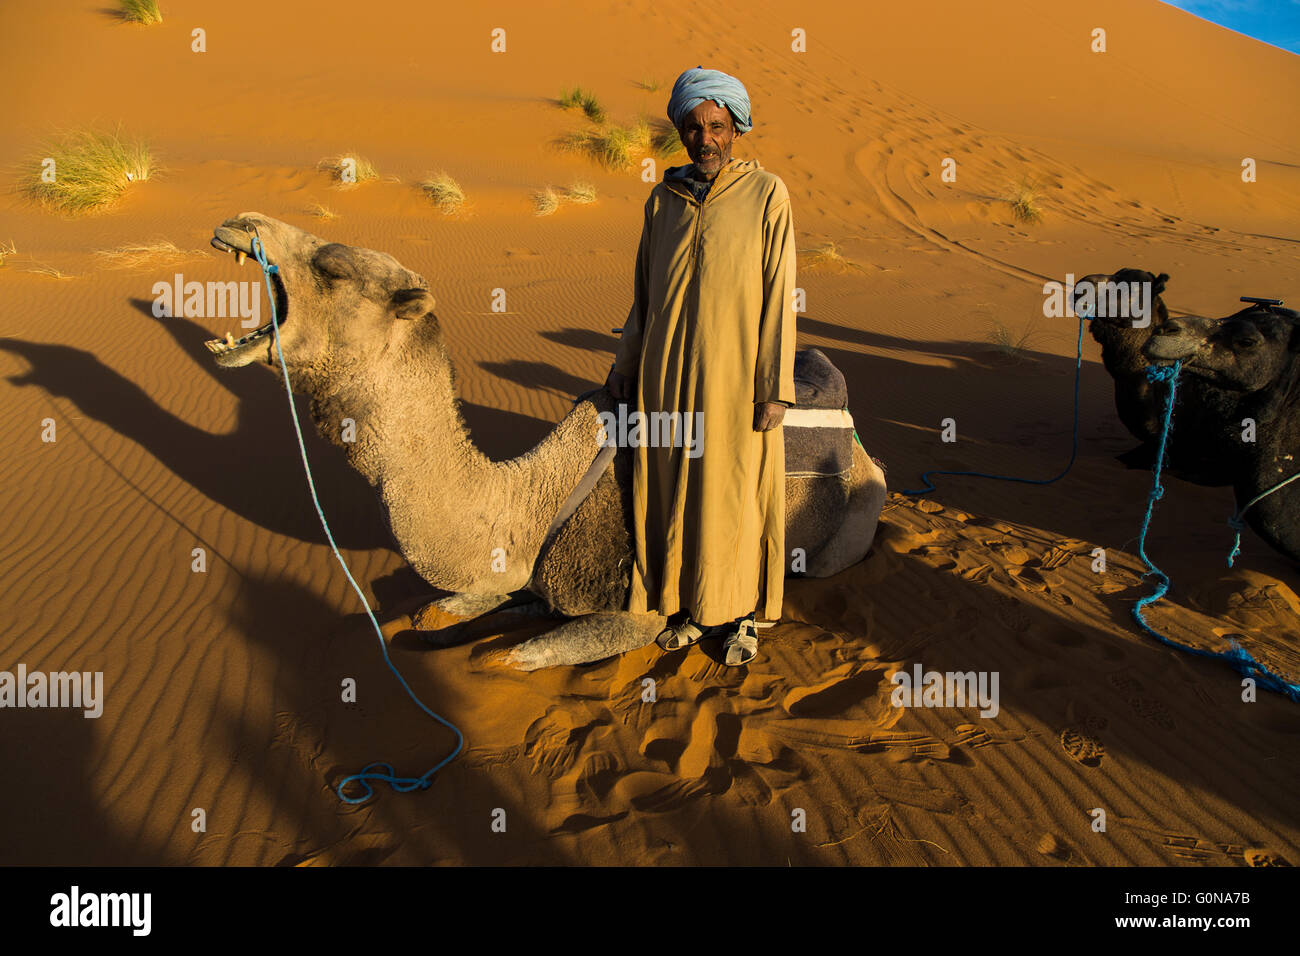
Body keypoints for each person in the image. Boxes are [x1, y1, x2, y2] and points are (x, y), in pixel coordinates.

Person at [605, 65, 797, 666]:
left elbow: (779, 292)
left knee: (731, 494)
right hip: (665, 380)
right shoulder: (662, 201)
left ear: (736, 129)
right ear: (681, 133)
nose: (706, 139)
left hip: (736, 380)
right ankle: (686, 605)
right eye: (693, 128)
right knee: (671, 491)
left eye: (717, 126)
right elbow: (643, 294)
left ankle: (738, 614)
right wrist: (626, 366)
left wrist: (775, 388)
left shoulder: (768, 194)